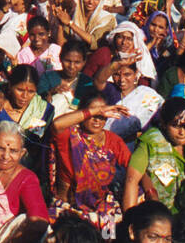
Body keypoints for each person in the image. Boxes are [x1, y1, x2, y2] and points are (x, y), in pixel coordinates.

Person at [49, 94, 133, 235]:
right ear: (82, 113)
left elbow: (134, 168)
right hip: (68, 208)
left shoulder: (113, 141)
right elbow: (57, 124)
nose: (97, 120)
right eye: (93, 114)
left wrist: (150, 191)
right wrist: (96, 110)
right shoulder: (69, 135)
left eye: (102, 116)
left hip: (99, 209)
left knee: (108, 239)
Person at [0, 121, 51, 243]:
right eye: (0, 148)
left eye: (13, 151)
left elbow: (40, 222)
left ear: (22, 153)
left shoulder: (27, 179)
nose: (6, 156)